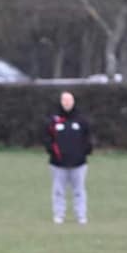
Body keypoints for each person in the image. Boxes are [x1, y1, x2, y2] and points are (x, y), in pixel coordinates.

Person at [44, 91, 93, 225]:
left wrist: (84, 153)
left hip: (79, 164)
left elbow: (88, 139)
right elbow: (47, 139)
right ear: (61, 102)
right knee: (58, 190)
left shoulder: (82, 121)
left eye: (69, 100)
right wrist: (53, 153)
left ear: (73, 102)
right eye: (64, 100)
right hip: (58, 164)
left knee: (79, 190)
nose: (67, 103)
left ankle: (81, 216)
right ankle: (59, 215)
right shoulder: (54, 121)